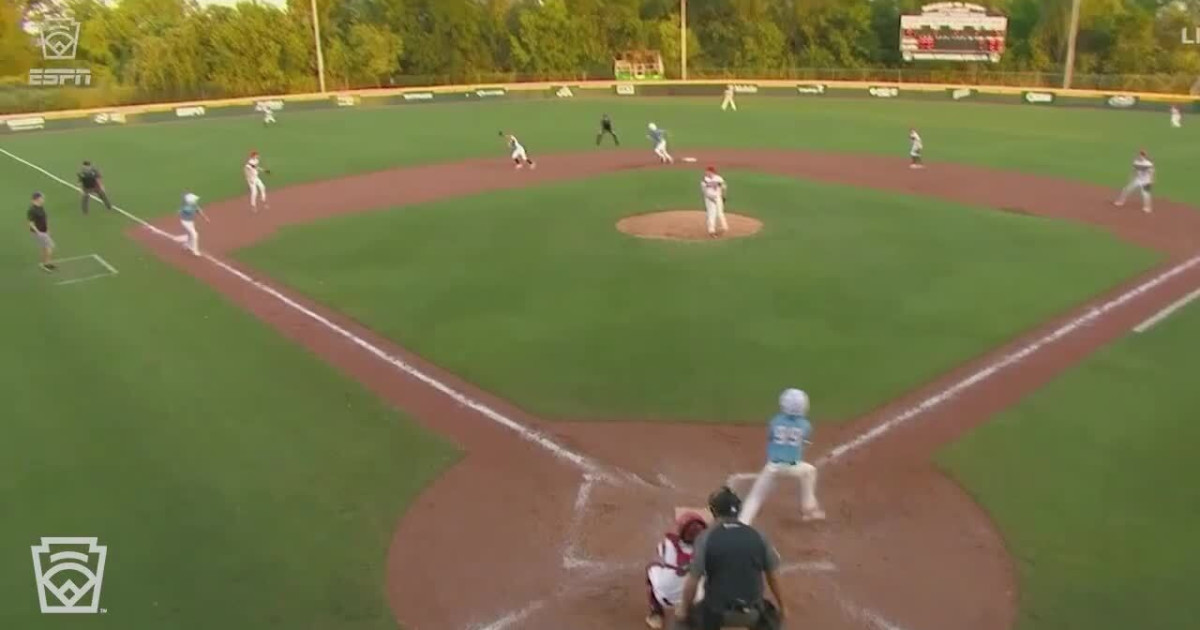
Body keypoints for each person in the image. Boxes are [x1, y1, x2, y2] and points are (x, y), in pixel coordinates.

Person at [673, 486, 787, 630]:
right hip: (753, 613)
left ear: (714, 512)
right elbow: (773, 576)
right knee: (771, 617)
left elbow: (693, 581)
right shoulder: (759, 536)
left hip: (715, 613)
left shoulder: (705, 538)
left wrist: (683, 610)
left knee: (683, 622)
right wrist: (783, 608)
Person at [737, 388, 825, 526]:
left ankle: (743, 522)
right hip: (793, 467)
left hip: (772, 466)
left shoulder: (775, 421)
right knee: (810, 471)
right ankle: (809, 508)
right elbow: (805, 444)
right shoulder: (805, 425)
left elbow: (770, 437)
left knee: (756, 496)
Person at [645, 511, 709, 629]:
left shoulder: (667, 544)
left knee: (651, 567)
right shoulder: (709, 549)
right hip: (697, 599)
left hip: (667, 599)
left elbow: (663, 551)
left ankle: (656, 613)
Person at [1113, 149, 1154, 214]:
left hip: (1146, 181)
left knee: (1145, 194)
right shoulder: (1136, 162)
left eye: (1143, 155)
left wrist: (1151, 180)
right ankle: (1120, 202)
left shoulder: (1148, 164)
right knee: (1126, 189)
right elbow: (1134, 170)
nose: (1141, 156)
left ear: (1145, 156)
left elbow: (1151, 172)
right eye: (1141, 154)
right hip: (1138, 179)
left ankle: (1147, 208)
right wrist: (1131, 177)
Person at [172, 192, 210, 256]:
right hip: (185, 222)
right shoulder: (186, 207)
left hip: (191, 222)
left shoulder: (194, 205)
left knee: (190, 234)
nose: (195, 200)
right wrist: (181, 210)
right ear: (190, 201)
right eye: (194, 200)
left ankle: (187, 244)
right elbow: (179, 211)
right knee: (195, 234)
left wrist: (205, 218)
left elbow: (199, 211)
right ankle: (195, 251)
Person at [27, 192, 56, 271]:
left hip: (44, 231)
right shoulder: (32, 210)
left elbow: (44, 219)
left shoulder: (41, 207)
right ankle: (46, 263)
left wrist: (48, 229)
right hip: (39, 232)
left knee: (45, 248)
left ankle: (46, 263)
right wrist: (38, 232)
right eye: (42, 198)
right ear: (37, 199)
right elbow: (31, 223)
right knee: (50, 247)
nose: (43, 199)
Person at [701, 166, 728, 238]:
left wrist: (723, 196)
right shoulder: (704, 180)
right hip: (709, 199)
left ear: (712, 172)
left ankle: (724, 227)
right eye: (706, 171)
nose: (706, 173)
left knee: (720, 213)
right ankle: (711, 231)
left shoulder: (718, 178)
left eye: (708, 171)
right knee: (711, 214)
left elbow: (724, 187)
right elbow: (704, 191)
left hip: (718, 197)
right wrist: (710, 198)